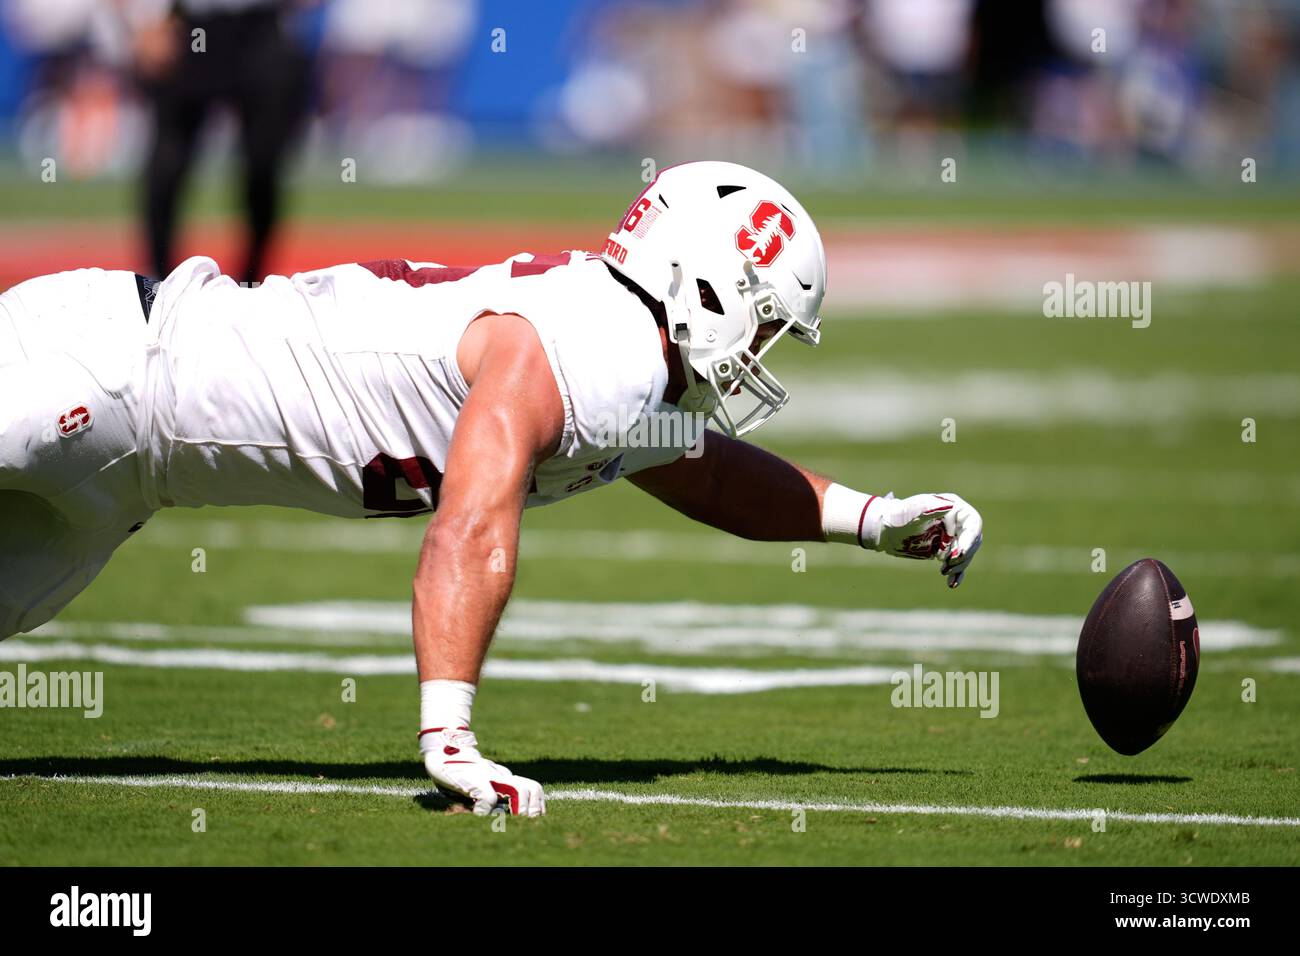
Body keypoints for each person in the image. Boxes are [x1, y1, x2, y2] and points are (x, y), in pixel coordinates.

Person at [0, 161, 983, 816]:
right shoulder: (598, 349)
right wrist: (449, 728)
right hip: (104, 365)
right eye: (765, 322)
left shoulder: (624, 355)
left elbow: (703, 467)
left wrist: (866, 517)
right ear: (707, 284)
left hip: (135, 476)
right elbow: (469, 526)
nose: (762, 353)